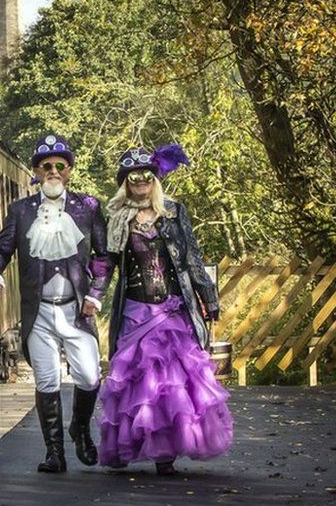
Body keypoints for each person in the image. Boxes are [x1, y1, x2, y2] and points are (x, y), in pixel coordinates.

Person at [97, 145, 232, 475]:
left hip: (171, 310)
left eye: (146, 176)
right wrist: (92, 295)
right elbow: (106, 264)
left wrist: (209, 300)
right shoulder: (117, 218)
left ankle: (166, 455)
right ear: (125, 183)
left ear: (155, 179)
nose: (140, 182)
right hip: (135, 310)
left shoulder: (174, 212)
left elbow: (192, 259)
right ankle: (137, 446)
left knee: (171, 385)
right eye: (133, 178)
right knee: (138, 385)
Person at [0, 134, 111, 473]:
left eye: (59, 166)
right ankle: (54, 452)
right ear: (37, 172)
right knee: (47, 380)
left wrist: (95, 295)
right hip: (37, 311)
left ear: (69, 170)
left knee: (88, 376)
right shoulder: (21, 210)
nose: (53, 172)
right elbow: (1, 250)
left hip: (76, 309)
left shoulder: (88, 207)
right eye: (45, 167)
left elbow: (103, 257)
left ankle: (80, 430)